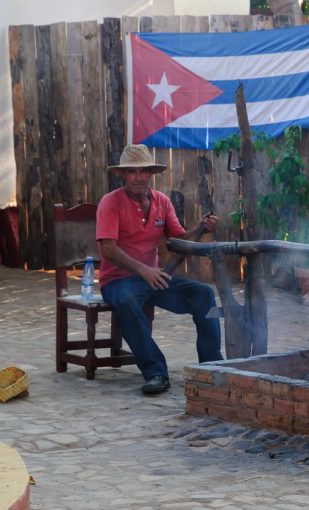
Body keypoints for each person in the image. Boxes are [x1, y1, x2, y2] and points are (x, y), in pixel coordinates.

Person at [96, 144, 223, 395]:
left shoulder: (161, 202)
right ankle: (156, 372)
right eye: (132, 172)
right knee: (128, 302)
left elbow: (179, 240)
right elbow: (108, 248)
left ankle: (212, 367)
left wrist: (200, 229)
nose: (139, 177)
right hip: (117, 282)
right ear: (123, 175)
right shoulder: (110, 203)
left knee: (204, 296)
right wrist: (144, 270)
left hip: (152, 279)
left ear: (151, 174)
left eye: (144, 171)